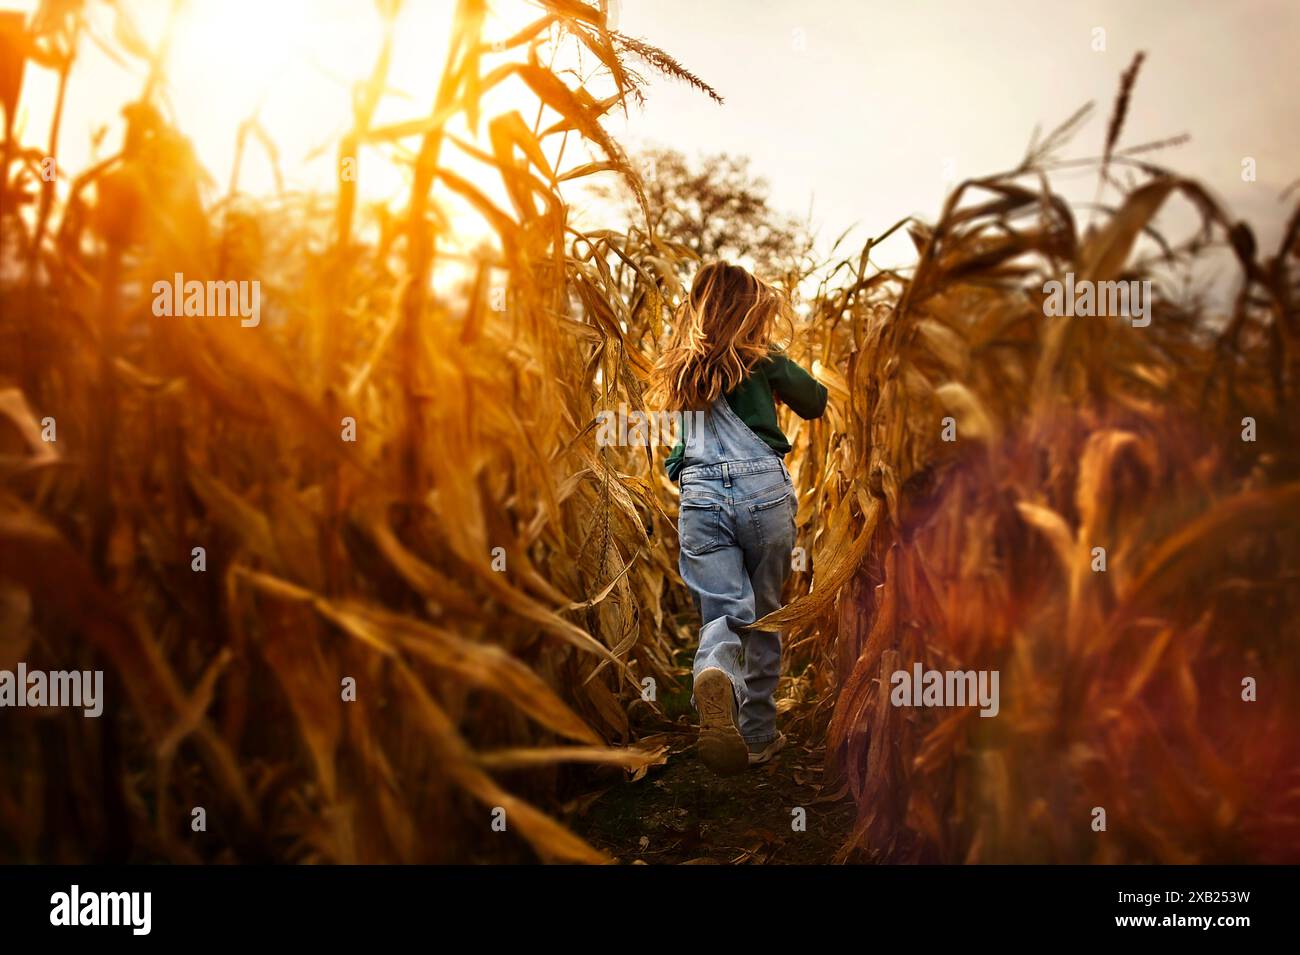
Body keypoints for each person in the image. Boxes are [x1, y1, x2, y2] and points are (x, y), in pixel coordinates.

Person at [652, 261, 828, 775]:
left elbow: (681, 446)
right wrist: (777, 379)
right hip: (764, 493)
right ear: (750, 308)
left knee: (724, 612)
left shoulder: (682, 366)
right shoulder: (763, 356)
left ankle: (713, 671)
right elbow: (816, 402)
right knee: (765, 614)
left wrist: (684, 471)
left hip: (701, 495)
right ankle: (756, 736)